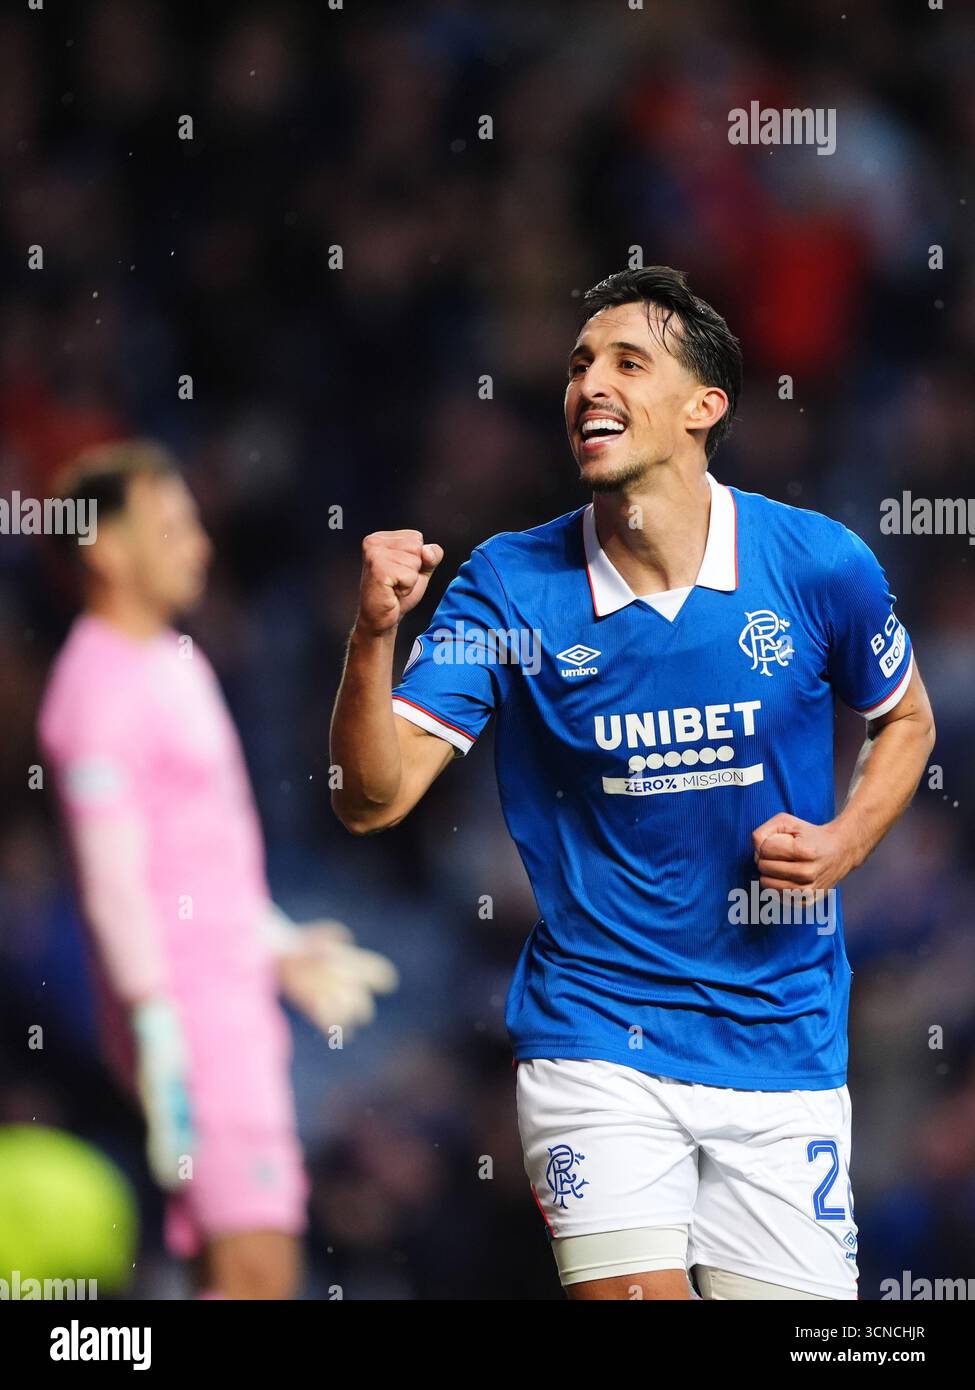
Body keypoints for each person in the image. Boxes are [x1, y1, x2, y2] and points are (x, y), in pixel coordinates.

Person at [330, 267, 937, 1301]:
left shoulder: (818, 563)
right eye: (577, 366)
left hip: (783, 1038)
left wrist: (846, 841)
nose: (587, 383)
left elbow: (905, 717)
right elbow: (369, 796)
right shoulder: (509, 585)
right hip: (599, 1039)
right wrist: (376, 633)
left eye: (626, 361)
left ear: (706, 407)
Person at [39, 440, 396, 1300]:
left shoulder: (173, 661)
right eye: (169, 524)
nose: (197, 542)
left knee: (229, 1271)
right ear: (105, 548)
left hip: (224, 1004)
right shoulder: (95, 689)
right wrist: (159, 1024)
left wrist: (272, 944)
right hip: (192, 1019)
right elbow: (112, 879)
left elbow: (194, 853)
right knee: (257, 1272)